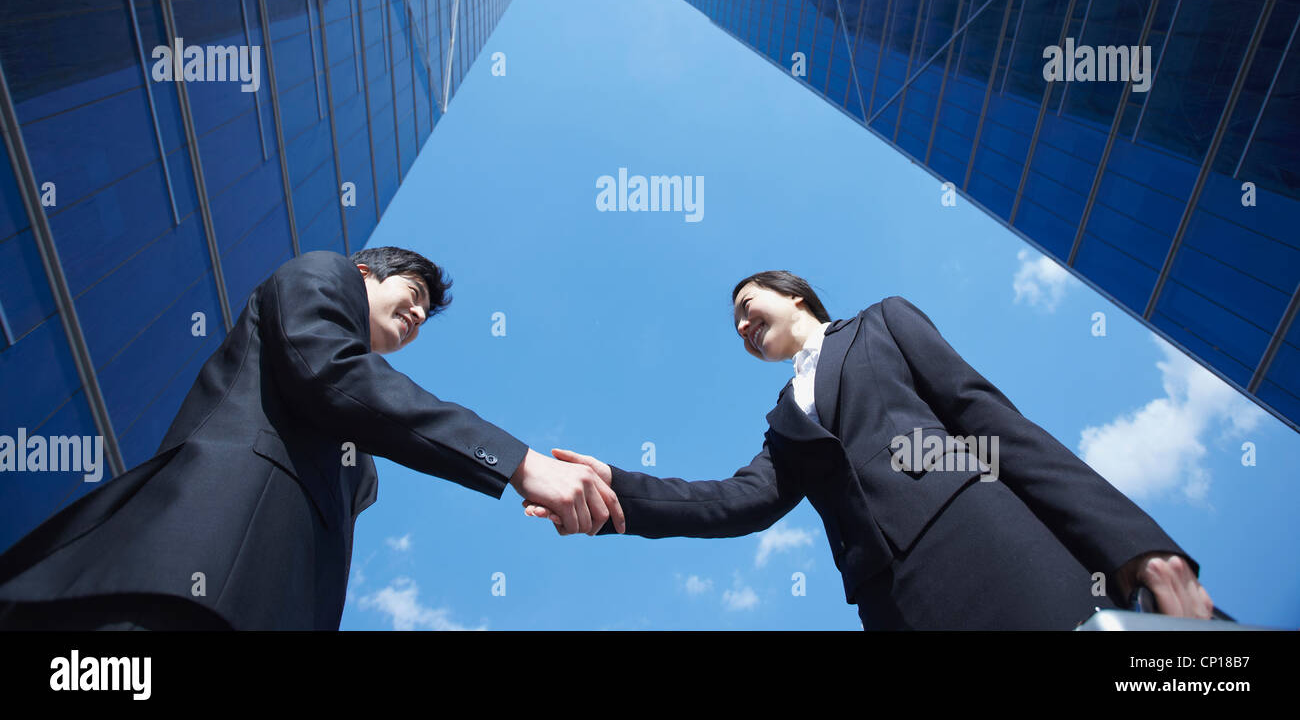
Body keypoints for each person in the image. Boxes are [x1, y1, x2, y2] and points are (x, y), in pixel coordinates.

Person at [524, 270, 1214, 629]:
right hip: (894, 610)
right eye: (735, 324)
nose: (740, 326)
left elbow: (992, 423)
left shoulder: (883, 322)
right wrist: (615, 488)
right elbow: (739, 502)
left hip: (993, 547)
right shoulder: (782, 421)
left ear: (795, 296)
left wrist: (1133, 545)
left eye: (747, 305)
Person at [0, 247, 623, 630]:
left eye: (422, 319)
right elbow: (330, 371)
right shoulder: (323, 274)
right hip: (196, 580)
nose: (416, 317)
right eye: (412, 296)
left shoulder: (362, 446)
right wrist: (518, 463)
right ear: (364, 273)